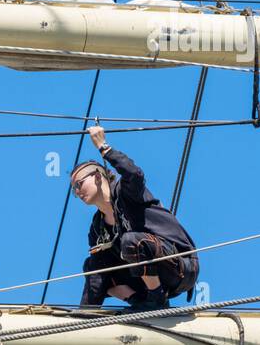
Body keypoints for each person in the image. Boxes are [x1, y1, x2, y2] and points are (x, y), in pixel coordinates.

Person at [70, 125, 199, 310]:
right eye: (74, 189)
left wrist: (104, 147)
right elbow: (98, 274)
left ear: (98, 177)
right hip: (144, 278)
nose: (77, 192)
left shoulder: (126, 192)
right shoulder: (97, 227)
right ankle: (90, 314)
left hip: (180, 267)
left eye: (79, 184)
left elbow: (134, 174)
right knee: (94, 265)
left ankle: (157, 300)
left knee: (131, 241)